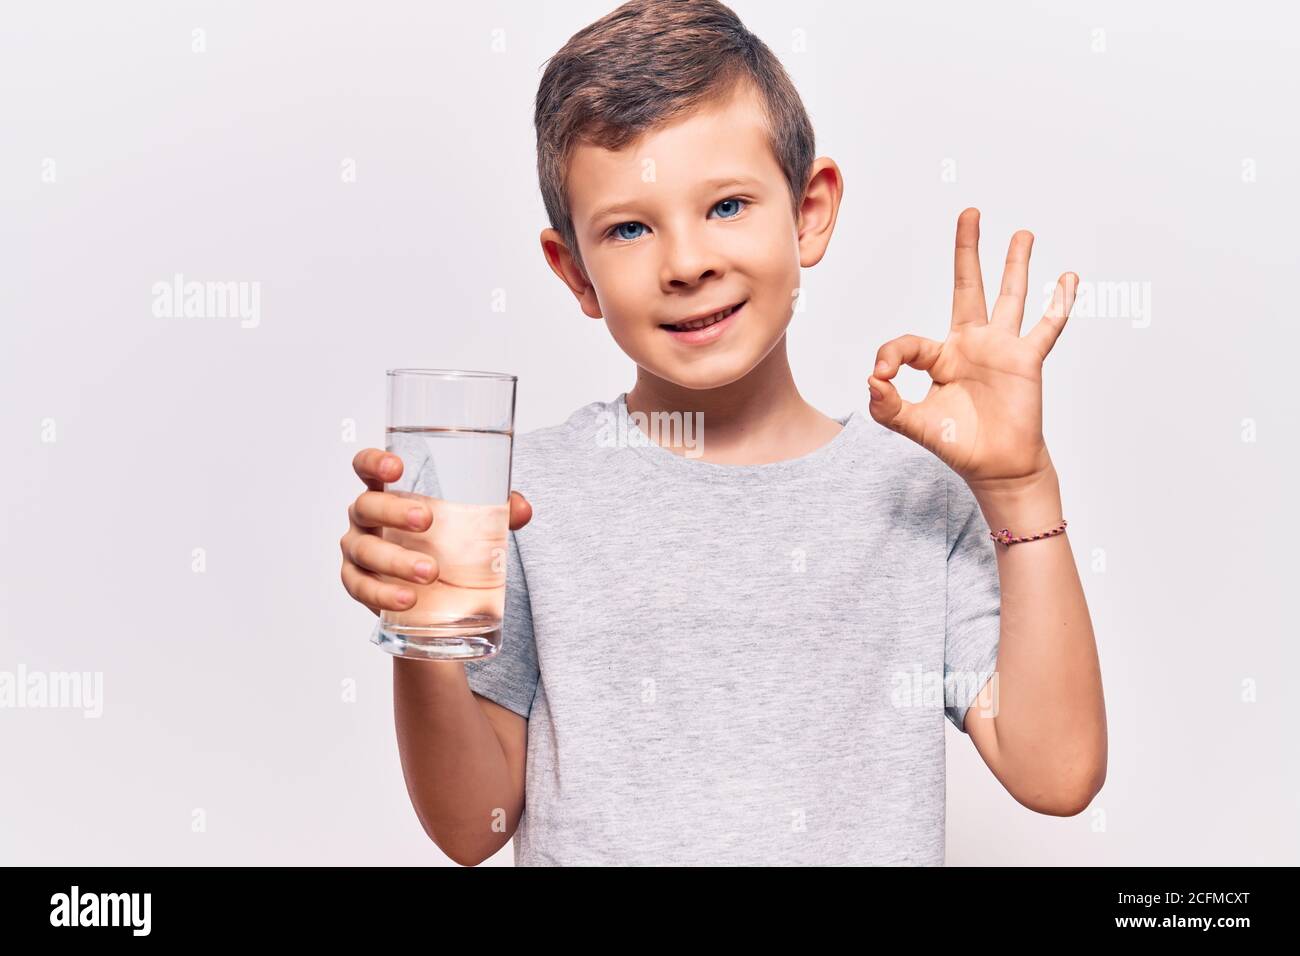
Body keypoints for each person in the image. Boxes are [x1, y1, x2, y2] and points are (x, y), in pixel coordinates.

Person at [339, 0, 1106, 866]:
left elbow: (1059, 772)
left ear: (810, 211)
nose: (687, 261)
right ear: (574, 272)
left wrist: (1018, 489)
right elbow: (469, 827)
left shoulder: (915, 493)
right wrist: (424, 627)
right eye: (629, 227)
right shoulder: (521, 500)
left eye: (729, 205)